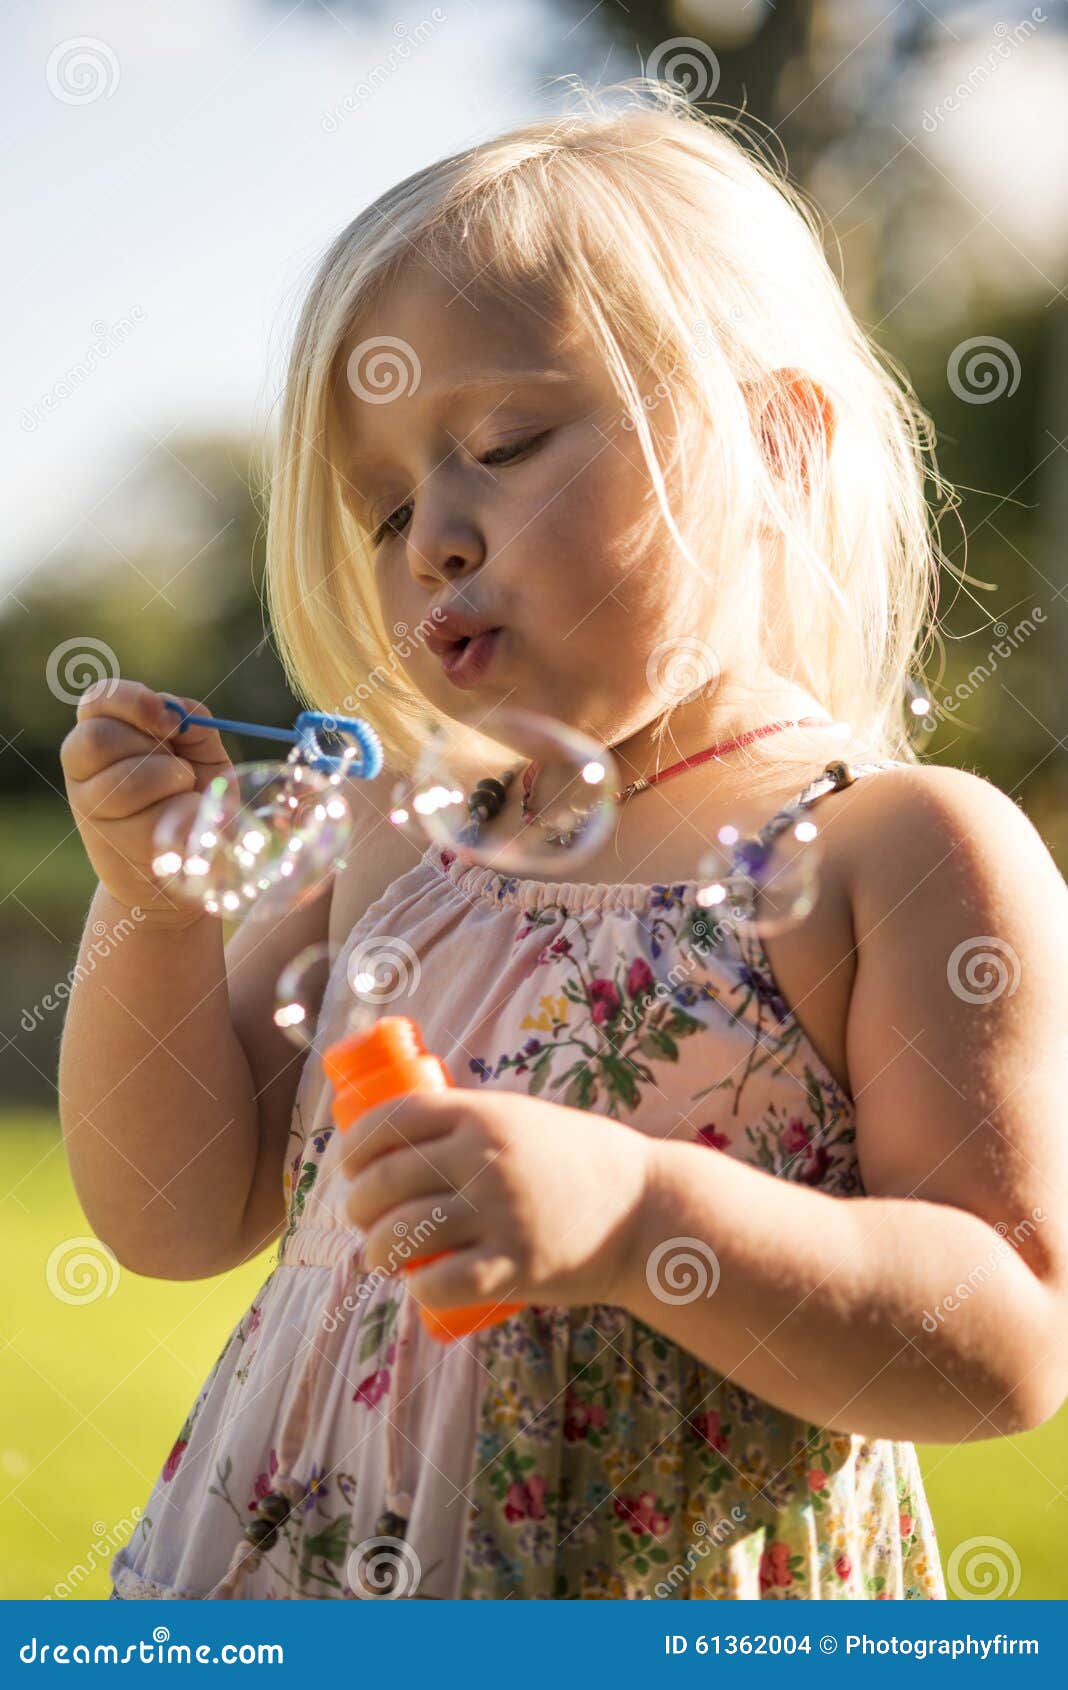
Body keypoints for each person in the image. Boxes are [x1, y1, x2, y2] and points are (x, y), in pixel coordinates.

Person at [59, 80, 1068, 1601]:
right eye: (386, 509)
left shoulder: (900, 849)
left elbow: (1005, 1335)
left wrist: (642, 1214)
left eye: (508, 441)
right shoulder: (407, 840)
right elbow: (170, 1214)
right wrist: (147, 909)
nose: (435, 538)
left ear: (777, 446)